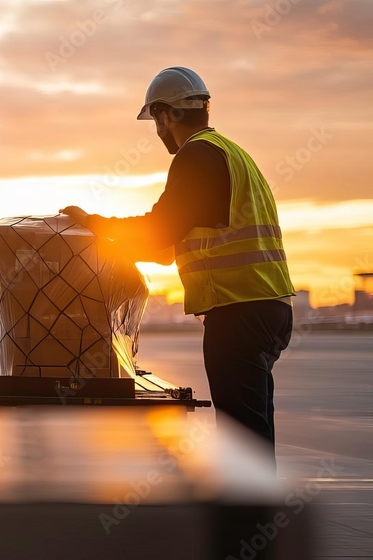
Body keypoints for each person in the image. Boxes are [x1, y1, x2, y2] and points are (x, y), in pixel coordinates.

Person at [60, 66, 294, 471]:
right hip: (268, 307)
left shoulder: (196, 155)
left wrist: (92, 224)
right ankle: (255, 505)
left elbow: (158, 230)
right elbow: (168, 246)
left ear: (167, 115)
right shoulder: (231, 153)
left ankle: (249, 510)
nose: (157, 131)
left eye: (156, 120)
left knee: (242, 436)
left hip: (237, 310)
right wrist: (117, 251)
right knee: (252, 430)